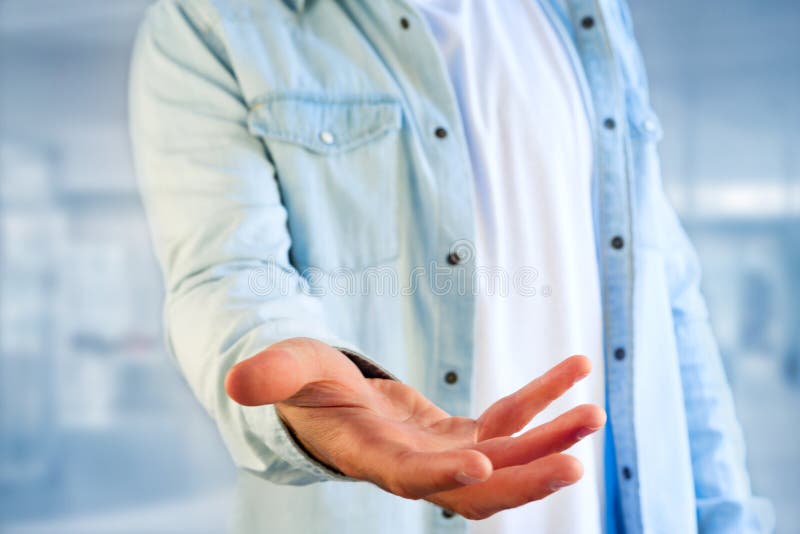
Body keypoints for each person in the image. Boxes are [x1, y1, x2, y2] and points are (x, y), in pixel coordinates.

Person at [129, 0, 772, 532]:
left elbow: (668, 301)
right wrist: (309, 402)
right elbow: (227, 276)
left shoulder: (591, 16)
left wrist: (727, 516)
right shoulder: (213, 21)